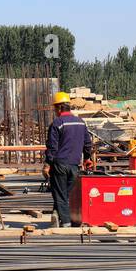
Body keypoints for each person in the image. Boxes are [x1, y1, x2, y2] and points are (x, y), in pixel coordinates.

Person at [43, 91, 93, 227]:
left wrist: (47, 164)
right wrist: (87, 158)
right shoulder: (81, 123)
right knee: (64, 194)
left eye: (55, 109)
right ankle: (56, 215)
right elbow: (88, 144)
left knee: (60, 196)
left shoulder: (57, 123)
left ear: (59, 108)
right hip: (74, 166)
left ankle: (65, 224)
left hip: (60, 165)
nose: (55, 111)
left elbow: (52, 148)